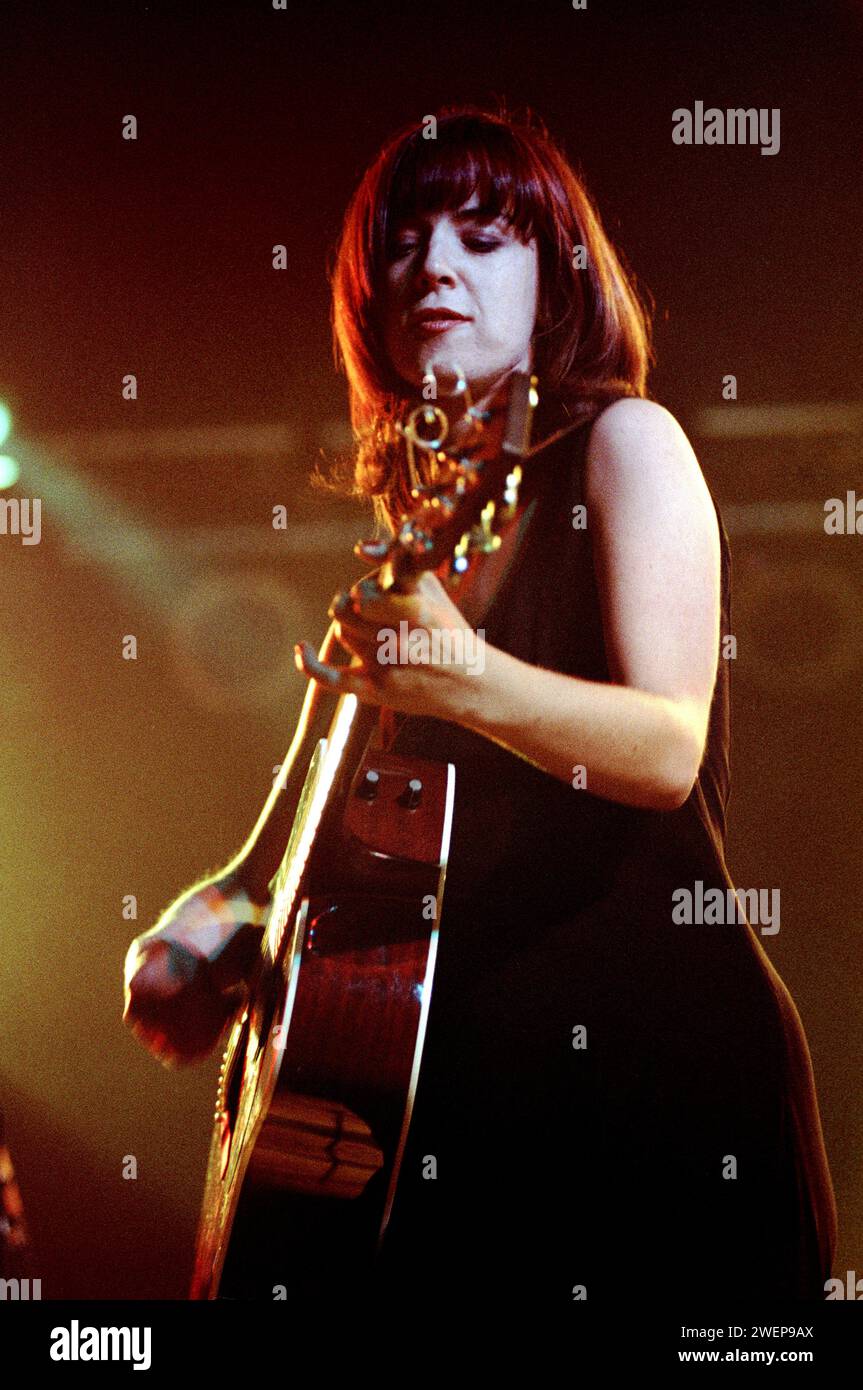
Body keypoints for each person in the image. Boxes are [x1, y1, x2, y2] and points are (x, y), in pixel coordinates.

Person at [123, 105, 837, 1308]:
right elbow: (272, 864)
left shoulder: (628, 441)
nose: (433, 267)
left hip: (646, 1095)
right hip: (444, 1124)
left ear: (554, 281)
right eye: (402, 242)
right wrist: (193, 936)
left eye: (482, 235)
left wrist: (466, 676)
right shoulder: (401, 557)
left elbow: (667, 744)